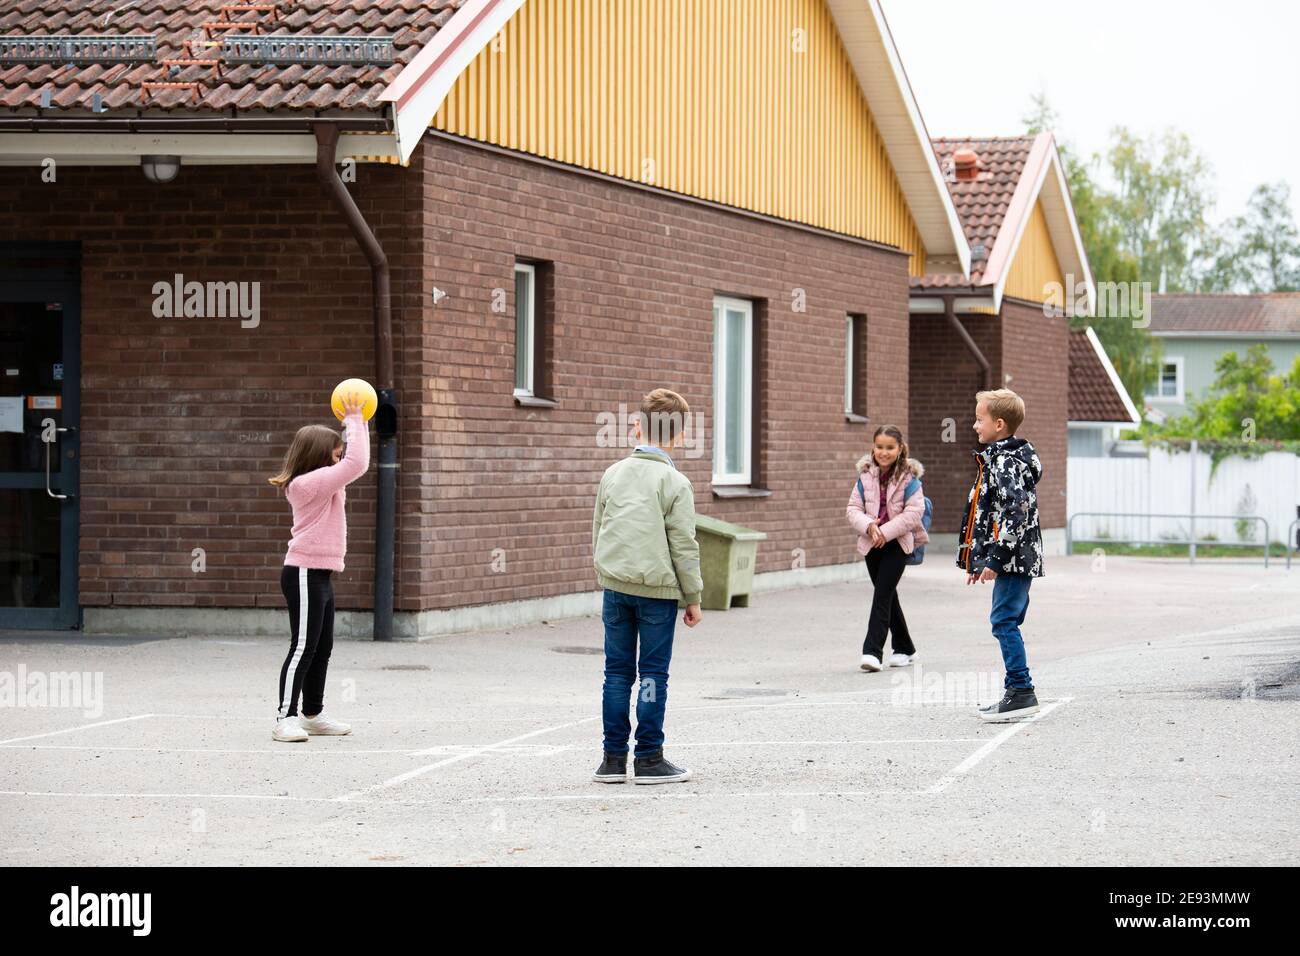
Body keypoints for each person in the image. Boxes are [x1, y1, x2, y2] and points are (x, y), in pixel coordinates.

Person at [591, 388, 703, 784]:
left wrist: (606, 574)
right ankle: (650, 757)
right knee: (653, 675)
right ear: (679, 436)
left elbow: (599, 529)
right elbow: (684, 545)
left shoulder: (612, 474)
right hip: (657, 594)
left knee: (616, 674)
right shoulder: (675, 482)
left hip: (615, 588)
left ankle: (612, 759)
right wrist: (693, 596)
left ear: (637, 427)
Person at [267, 389, 370, 742]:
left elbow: (353, 462)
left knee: (322, 646)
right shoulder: (306, 484)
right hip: (303, 573)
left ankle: (312, 713)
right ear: (318, 456)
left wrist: (357, 427)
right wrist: (354, 419)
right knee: (303, 646)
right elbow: (357, 464)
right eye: (335, 455)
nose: (340, 460)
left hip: (321, 574)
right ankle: (286, 717)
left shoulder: (324, 484)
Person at [957, 388, 1045, 722]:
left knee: (1003, 621)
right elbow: (986, 513)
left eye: (979, 419)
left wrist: (996, 558)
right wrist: (978, 559)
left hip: (1013, 558)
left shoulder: (1005, 461)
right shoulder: (998, 457)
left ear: (998, 423)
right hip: (1015, 556)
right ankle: (1016, 690)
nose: (974, 425)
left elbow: (1016, 510)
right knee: (1007, 621)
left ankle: (1022, 690)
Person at [846, 424, 927, 672]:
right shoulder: (864, 476)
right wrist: (870, 527)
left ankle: (872, 652)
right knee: (888, 596)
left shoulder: (909, 478)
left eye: (889, 448)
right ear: (873, 447)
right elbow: (852, 509)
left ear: (900, 449)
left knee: (881, 595)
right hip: (872, 544)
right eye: (879, 447)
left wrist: (886, 531)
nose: (884, 452)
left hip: (897, 545)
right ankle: (905, 648)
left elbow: (914, 513)